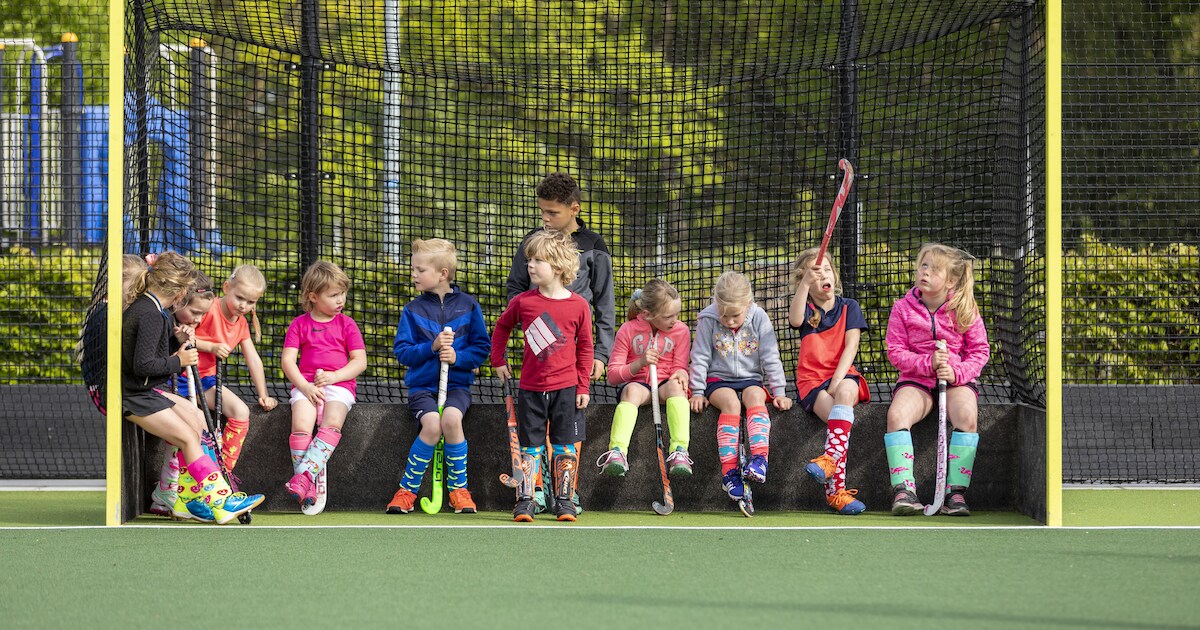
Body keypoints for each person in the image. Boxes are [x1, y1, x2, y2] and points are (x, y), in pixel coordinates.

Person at [121, 251, 262, 524]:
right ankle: (218, 500)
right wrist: (179, 361)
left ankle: (193, 499)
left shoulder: (153, 311)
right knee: (187, 436)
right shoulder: (151, 314)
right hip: (135, 395)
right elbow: (144, 367)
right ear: (180, 292)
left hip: (141, 392)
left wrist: (175, 344)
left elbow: (149, 357)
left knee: (196, 425)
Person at [491, 230, 594, 522]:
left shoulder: (578, 306)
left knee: (564, 446)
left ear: (559, 266)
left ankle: (564, 501)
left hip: (567, 389)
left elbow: (586, 346)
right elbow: (501, 328)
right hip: (531, 389)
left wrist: (583, 385)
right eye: (529, 260)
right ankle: (526, 499)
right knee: (530, 447)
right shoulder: (524, 302)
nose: (530, 266)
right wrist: (497, 360)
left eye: (538, 260)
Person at [885, 243, 990, 516]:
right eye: (923, 265)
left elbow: (979, 352)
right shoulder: (902, 309)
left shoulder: (965, 308)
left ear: (951, 280)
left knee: (967, 417)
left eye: (934, 268)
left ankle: (955, 493)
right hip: (916, 380)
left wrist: (957, 373)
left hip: (955, 381)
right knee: (897, 415)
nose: (926, 272)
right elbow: (895, 353)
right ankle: (904, 490)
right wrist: (926, 364)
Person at [388, 239, 491, 515]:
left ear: (442, 273)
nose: (414, 274)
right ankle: (407, 491)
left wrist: (458, 358)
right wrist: (431, 347)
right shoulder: (412, 310)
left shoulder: (468, 306)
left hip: (456, 386)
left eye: (420, 270)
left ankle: (459, 490)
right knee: (432, 425)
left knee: (451, 419)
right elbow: (403, 352)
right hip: (422, 388)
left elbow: (482, 348)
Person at [689, 271, 792, 509]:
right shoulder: (708, 320)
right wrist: (697, 391)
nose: (729, 321)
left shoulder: (759, 318)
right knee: (731, 404)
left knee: (755, 396)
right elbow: (701, 357)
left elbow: (770, 357)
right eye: (724, 315)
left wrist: (779, 393)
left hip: (751, 379)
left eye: (735, 315)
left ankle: (759, 460)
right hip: (718, 380)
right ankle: (729, 474)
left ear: (748, 304)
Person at [787, 248, 870, 515]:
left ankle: (829, 462)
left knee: (845, 392)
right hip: (812, 382)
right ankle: (836, 494)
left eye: (826, 269)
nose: (824, 275)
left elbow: (851, 347)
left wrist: (836, 381)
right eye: (815, 272)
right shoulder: (807, 310)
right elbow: (794, 319)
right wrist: (804, 285)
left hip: (843, 375)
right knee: (839, 427)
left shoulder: (850, 307)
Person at [280, 260, 367, 511]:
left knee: (332, 422)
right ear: (313, 296)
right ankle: (304, 484)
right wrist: (305, 388)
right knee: (300, 426)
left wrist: (334, 376)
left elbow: (359, 362)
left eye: (343, 294)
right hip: (306, 386)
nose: (341, 300)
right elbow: (288, 362)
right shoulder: (299, 324)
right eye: (334, 295)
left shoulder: (347, 324)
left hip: (340, 385)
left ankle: (304, 477)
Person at [597, 279, 693, 478]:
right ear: (648, 314)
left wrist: (682, 373)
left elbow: (679, 366)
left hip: (665, 385)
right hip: (639, 386)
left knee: (677, 387)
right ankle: (617, 452)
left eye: (677, 314)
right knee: (631, 391)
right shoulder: (628, 330)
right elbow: (613, 376)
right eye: (668, 316)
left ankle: (680, 452)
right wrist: (640, 363)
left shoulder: (681, 331)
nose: (675, 320)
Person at [192, 264, 278, 472]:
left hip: (206, 381)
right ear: (226, 287)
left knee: (241, 411)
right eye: (240, 298)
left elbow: (254, 360)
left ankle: (223, 473)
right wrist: (210, 346)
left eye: (251, 302)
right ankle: (200, 476)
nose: (244, 306)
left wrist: (264, 395)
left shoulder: (241, 325)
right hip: (181, 376)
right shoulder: (207, 307)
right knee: (198, 426)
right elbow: (179, 335)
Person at [147, 271, 217, 518]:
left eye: (203, 315)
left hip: (163, 391)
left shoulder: (173, 323)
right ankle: (181, 493)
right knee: (185, 434)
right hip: (153, 391)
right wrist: (178, 347)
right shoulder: (160, 318)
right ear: (179, 301)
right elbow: (156, 360)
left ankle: (170, 491)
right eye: (195, 313)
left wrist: (179, 340)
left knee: (189, 433)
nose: (198, 319)